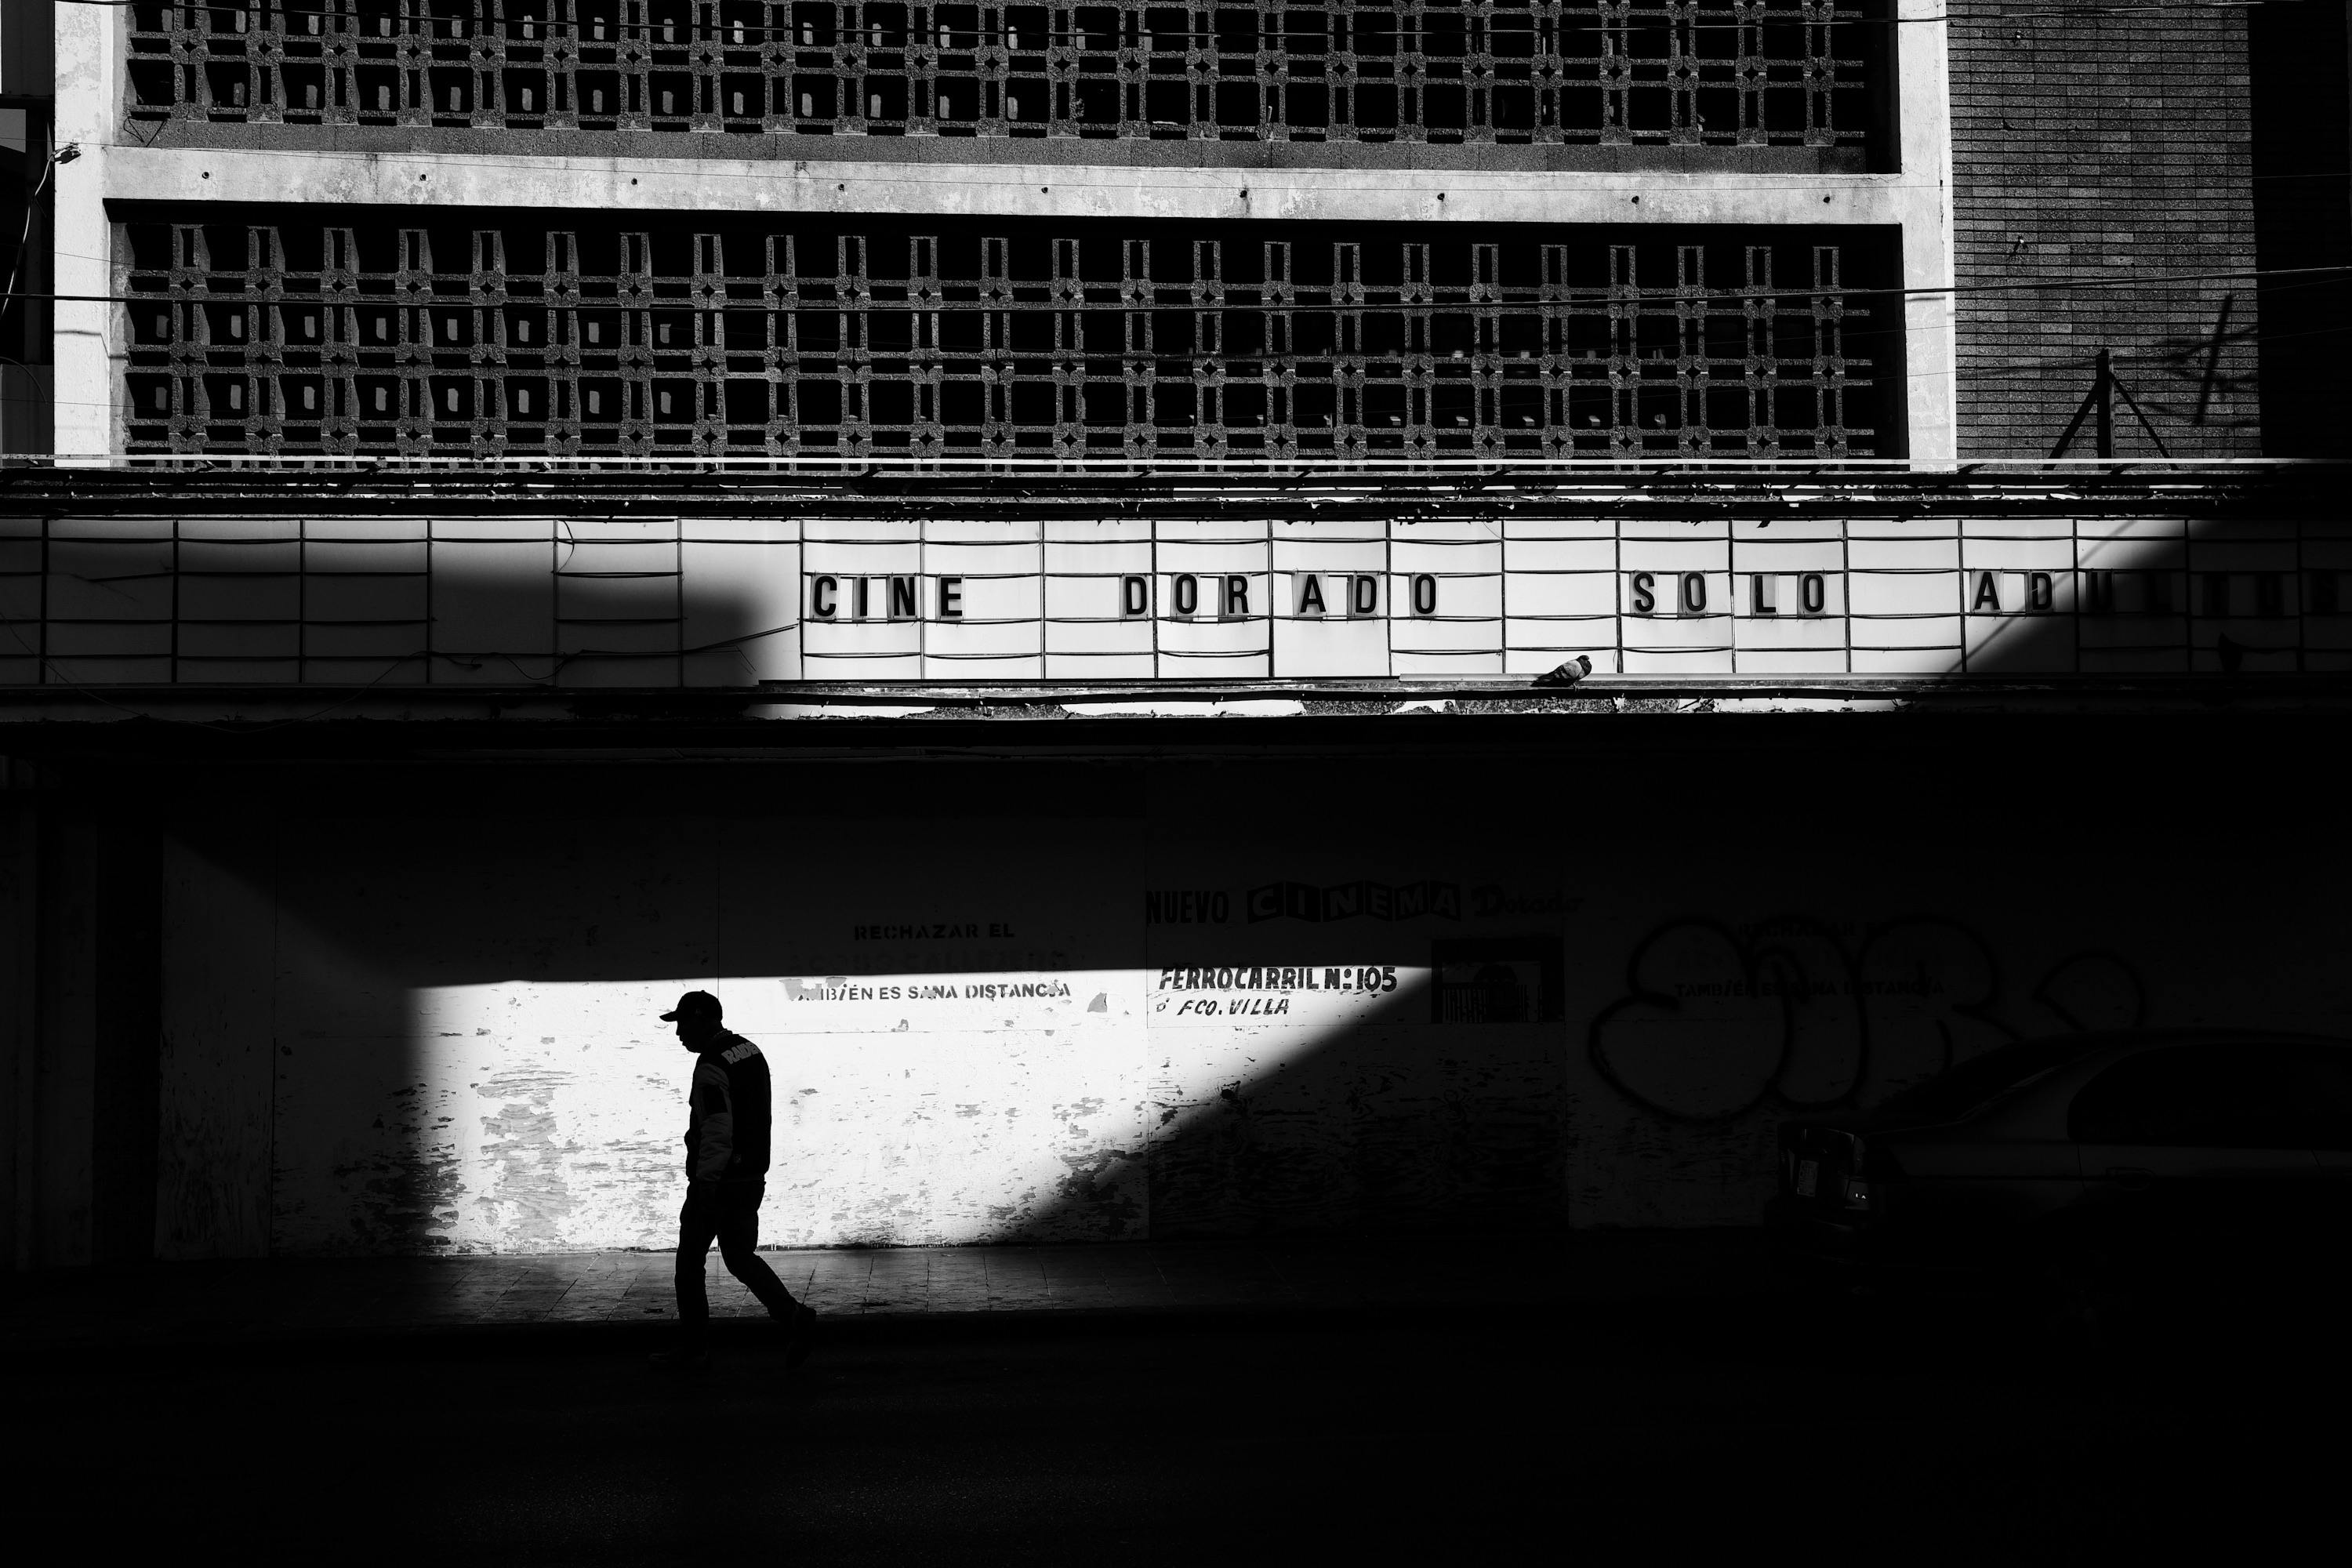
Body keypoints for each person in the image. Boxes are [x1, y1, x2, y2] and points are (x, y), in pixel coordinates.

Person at [648, 990, 818, 1374]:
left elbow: (717, 1127)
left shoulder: (710, 1064)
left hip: (719, 1181)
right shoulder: (749, 1051)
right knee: (740, 1257)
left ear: (702, 1020)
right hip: (751, 1175)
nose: (678, 1033)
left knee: (689, 1263)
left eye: (682, 1023)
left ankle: (695, 1350)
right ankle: (794, 1318)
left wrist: (705, 1180)